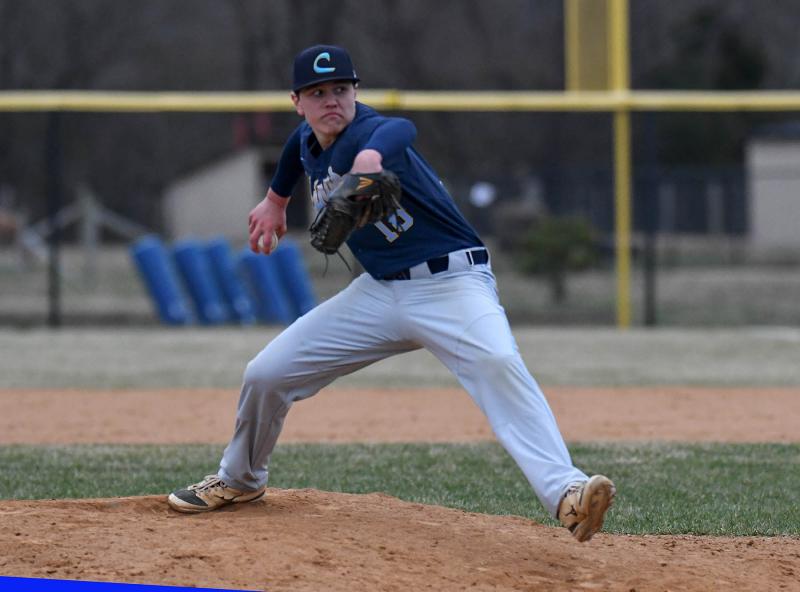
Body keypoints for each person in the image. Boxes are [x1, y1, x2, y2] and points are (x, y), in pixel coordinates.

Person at [168, 45, 616, 542]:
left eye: (341, 88)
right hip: (379, 293)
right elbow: (298, 151)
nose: (331, 101)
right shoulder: (306, 139)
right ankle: (240, 480)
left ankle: (569, 494)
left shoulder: (369, 133)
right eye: (318, 93)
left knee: (497, 364)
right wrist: (275, 201)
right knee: (266, 373)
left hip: (452, 284)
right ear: (298, 101)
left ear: (356, 92)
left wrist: (371, 157)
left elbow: (400, 127)